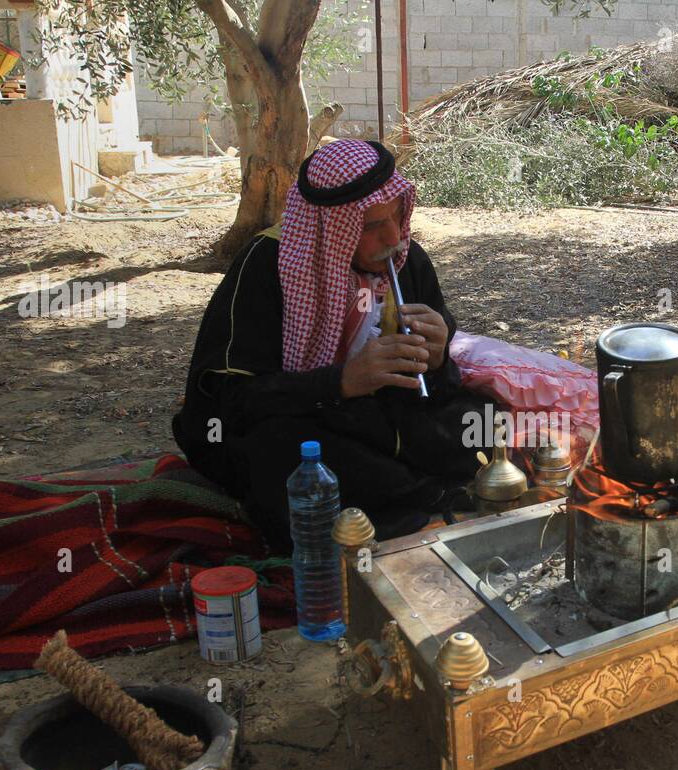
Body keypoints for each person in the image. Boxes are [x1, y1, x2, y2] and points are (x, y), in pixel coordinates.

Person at [172, 139, 488, 549]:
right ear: (331, 228)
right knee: (285, 454)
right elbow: (234, 405)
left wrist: (439, 356)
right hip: (298, 420)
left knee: (481, 420)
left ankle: (403, 493)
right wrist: (342, 382)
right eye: (372, 226)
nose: (393, 236)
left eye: (396, 215)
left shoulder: (409, 261)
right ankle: (419, 493)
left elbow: (438, 390)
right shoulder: (267, 267)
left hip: (375, 420)